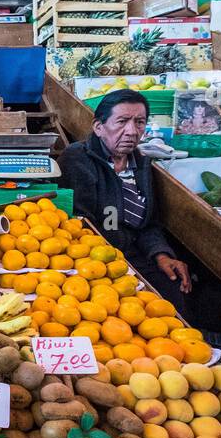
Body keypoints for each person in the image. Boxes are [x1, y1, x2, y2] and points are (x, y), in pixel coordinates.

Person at [58, 89, 192, 308]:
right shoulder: (78, 159)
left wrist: (161, 255)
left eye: (139, 122)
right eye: (122, 121)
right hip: (92, 260)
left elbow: (148, 224)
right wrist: (119, 267)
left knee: (174, 292)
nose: (132, 131)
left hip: (133, 256)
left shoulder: (141, 165)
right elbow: (81, 224)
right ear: (99, 127)